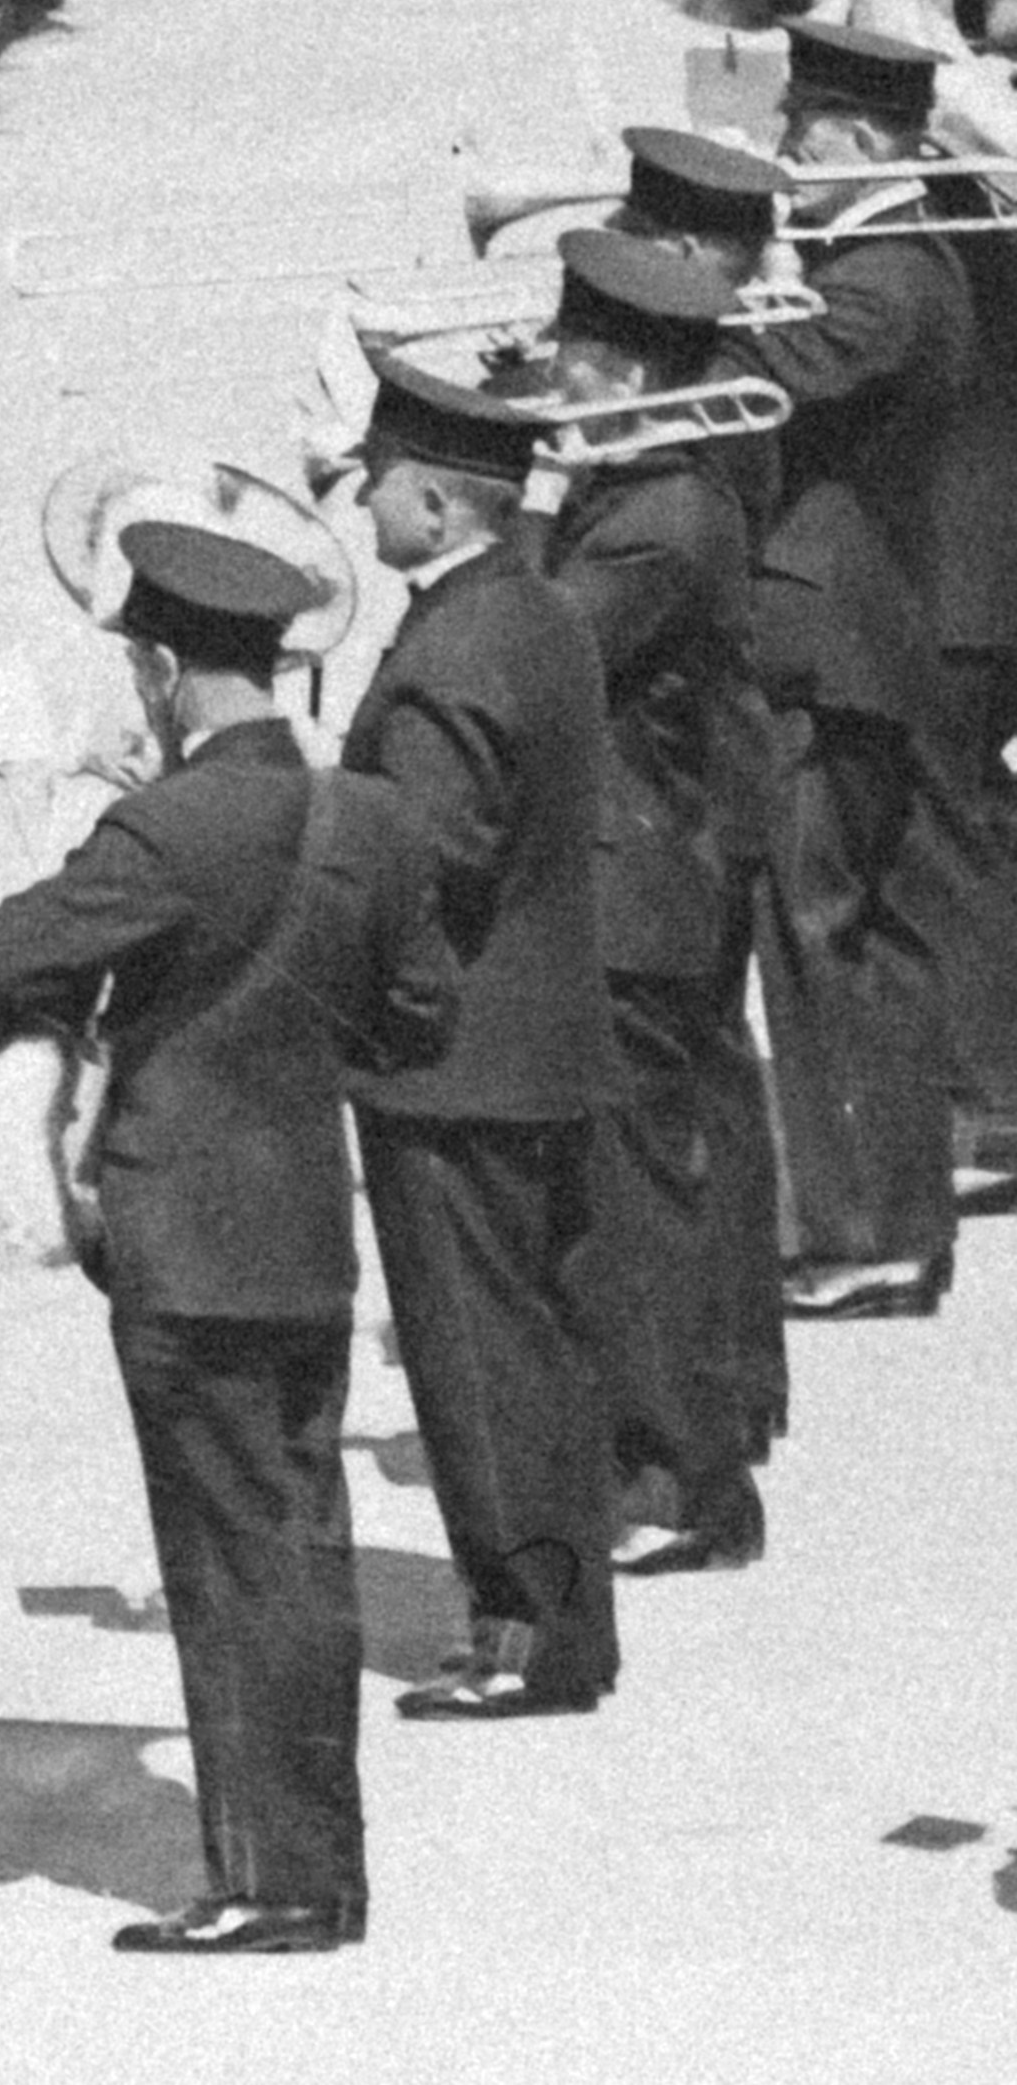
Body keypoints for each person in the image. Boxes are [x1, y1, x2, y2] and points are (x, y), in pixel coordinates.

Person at [0, 517, 455, 1960]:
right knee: (302, 1553)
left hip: (182, 1244)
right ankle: (316, 1867)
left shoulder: (168, 829)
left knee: (231, 1573)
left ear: (165, 668)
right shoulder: (373, 816)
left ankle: (268, 1884)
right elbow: (419, 1017)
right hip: (302, 1232)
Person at [332, 358, 620, 1722]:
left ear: (439, 504)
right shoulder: (537, 614)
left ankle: (523, 1631)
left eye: (380, 484)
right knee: (542, 1354)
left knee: (481, 1361)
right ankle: (565, 1625)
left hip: (455, 1064)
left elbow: (423, 857)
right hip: (540, 1042)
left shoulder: (451, 653)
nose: (364, 503)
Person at [522, 226, 781, 1581]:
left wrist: (493, 478)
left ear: (620, 364)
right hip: (641, 867)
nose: (545, 370)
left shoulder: (665, 520)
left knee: (636, 1195)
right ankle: (675, 1455)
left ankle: (684, 1481)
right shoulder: (643, 483)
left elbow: (531, 652)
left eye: (568, 355)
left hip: (644, 881)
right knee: (636, 1184)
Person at [741, 20, 973, 1316]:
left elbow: (771, 376)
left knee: (828, 936)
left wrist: (645, 300)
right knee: (844, 934)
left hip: (836, 647)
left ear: (872, 140)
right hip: (852, 637)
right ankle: (882, 1215)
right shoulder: (876, 263)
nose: (781, 152)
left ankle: (872, 1227)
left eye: (802, 132)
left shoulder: (887, 279)